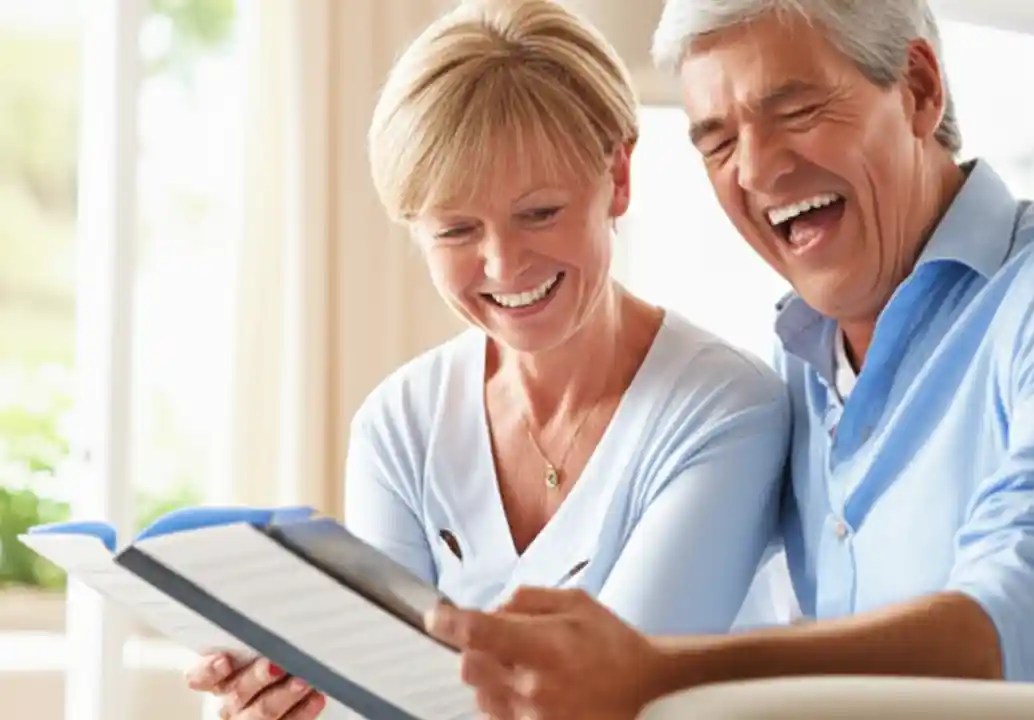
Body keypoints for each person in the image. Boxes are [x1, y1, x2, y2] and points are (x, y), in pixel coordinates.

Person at [432, 0, 1034, 717]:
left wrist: (655, 673)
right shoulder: (798, 368)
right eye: (717, 143)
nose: (757, 168)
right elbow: (755, 627)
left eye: (794, 111)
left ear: (919, 89)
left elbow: (1030, 627)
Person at [182, 1, 793, 717]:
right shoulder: (399, 425)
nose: (504, 263)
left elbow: (612, 698)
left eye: (540, 213)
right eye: (457, 229)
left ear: (618, 176)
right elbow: (386, 703)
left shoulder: (727, 409)